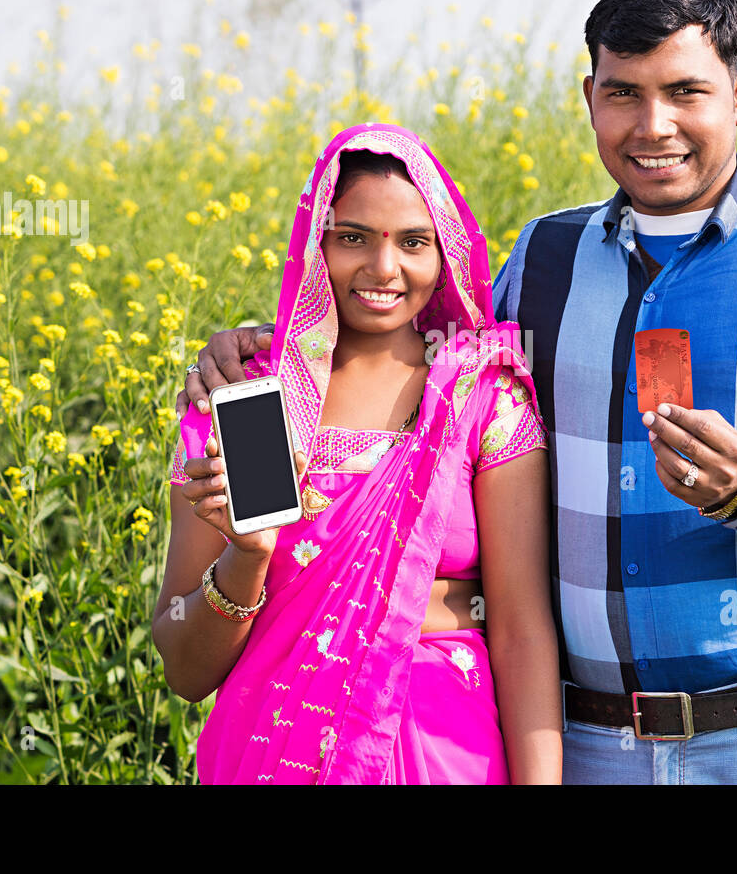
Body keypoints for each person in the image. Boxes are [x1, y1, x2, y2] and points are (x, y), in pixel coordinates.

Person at [179, 0, 737, 784]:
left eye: (686, 91)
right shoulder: (545, 261)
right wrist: (259, 349)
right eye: (624, 94)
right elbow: (406, 330)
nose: (654, 126)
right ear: (590, 98)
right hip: (593, 747)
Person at [153, 124, 562, 784]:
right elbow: (185, 669)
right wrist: (248, 556)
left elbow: (520, 631)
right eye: (353, 238)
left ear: (444, 257)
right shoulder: (253, 400)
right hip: (271, 750)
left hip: (447, 749)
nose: (383, 268)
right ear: (316, 243)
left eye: (412, 242)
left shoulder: (480, 393)